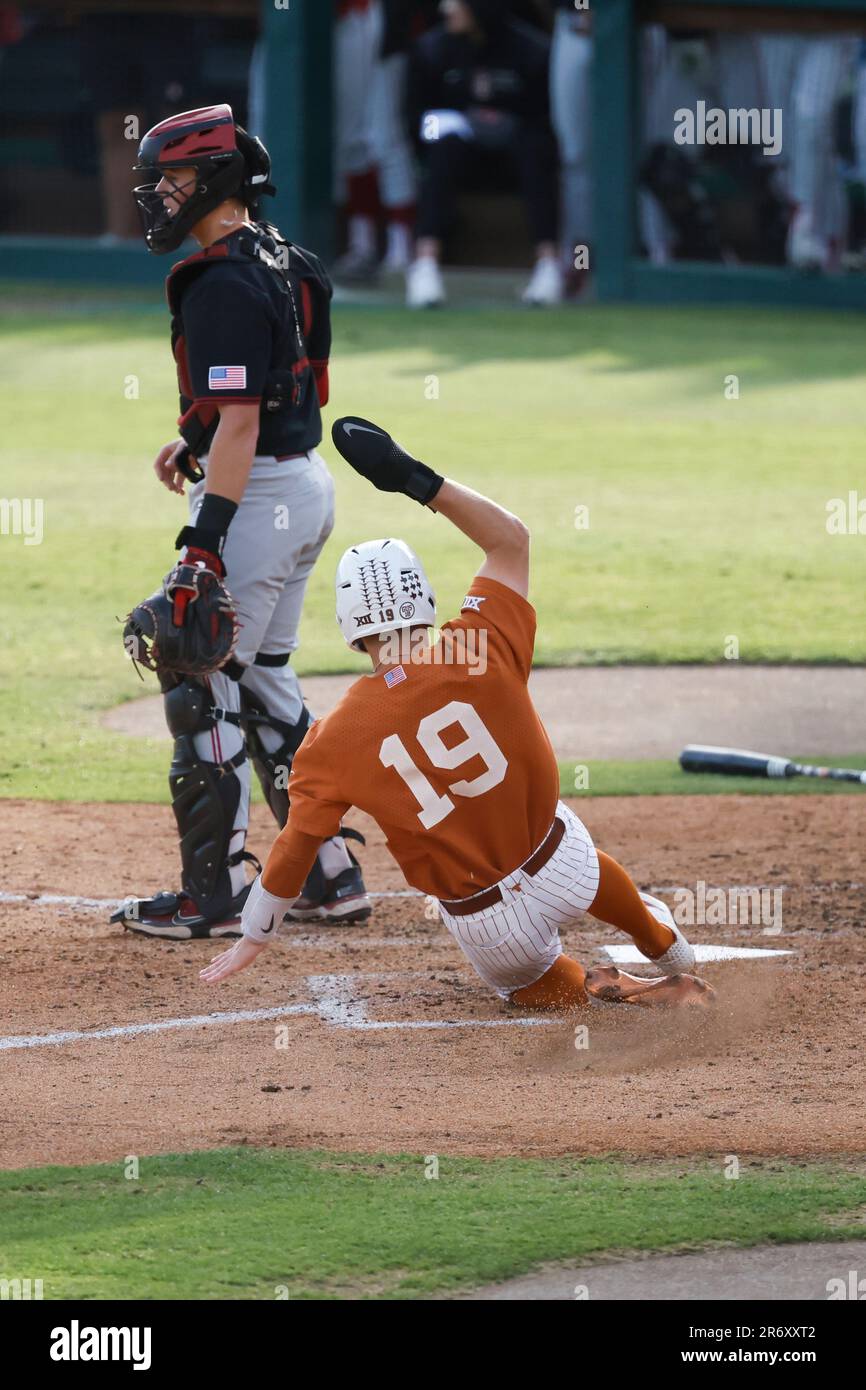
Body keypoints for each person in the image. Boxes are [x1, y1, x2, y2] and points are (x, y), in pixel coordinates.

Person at [201, 417, 713, 1013]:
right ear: (423, 598)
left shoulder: (330, 741)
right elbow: (511, 540)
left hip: (490, 924)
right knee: (572, 843)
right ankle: (668, 950)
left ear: (349, 630)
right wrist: (414, 478)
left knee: (523, 985)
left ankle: (597, 993)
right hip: (566, 867)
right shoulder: (480, 644)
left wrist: (255, 934)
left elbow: (295, 849)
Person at [114, 104, 370, 940]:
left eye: (173, 179)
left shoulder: (221, 278)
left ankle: (213, 893)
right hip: (304, 485)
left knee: (203, 681)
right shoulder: (284, 256)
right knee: (261, 683)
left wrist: (201, 548)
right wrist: (197, 434)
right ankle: (329, 875)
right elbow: (294, 388)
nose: (158, 195)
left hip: (258, 494)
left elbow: (246, 420)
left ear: (217, 181)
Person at [406, 0, 561, 307]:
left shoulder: (532, 50)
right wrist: (455, 121)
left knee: (535, 148)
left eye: (457, 2)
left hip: (514, 155)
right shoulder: (430, 49)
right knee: (443, 148)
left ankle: (548, 266)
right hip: (459, 155)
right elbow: (416, 122)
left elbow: (546, 122)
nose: (446, 8)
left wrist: (507, 124)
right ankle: (425, 265)